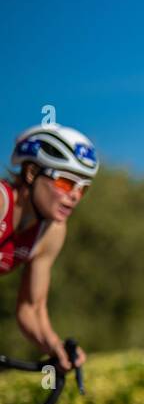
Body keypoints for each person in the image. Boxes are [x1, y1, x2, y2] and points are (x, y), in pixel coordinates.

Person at [1, 123, 97, 372]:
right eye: (65, 183)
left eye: (82, 188)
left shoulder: (51, 232)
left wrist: (55, 346)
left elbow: (31, 309)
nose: (75, 195)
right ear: (31, 173)